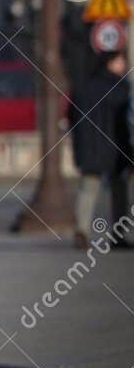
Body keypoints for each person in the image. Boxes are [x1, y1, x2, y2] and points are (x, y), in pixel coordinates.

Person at [67, 50, 133, 249]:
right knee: (119, 191)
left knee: (88, 188)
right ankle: (118, 234)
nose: (124, 66)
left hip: (89, 146)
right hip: (115, 147)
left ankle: (82, 230)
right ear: (111, 63)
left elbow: (71, 116)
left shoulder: (83, 87)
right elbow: (126, 121)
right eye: (122, 61)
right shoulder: (121, 88)